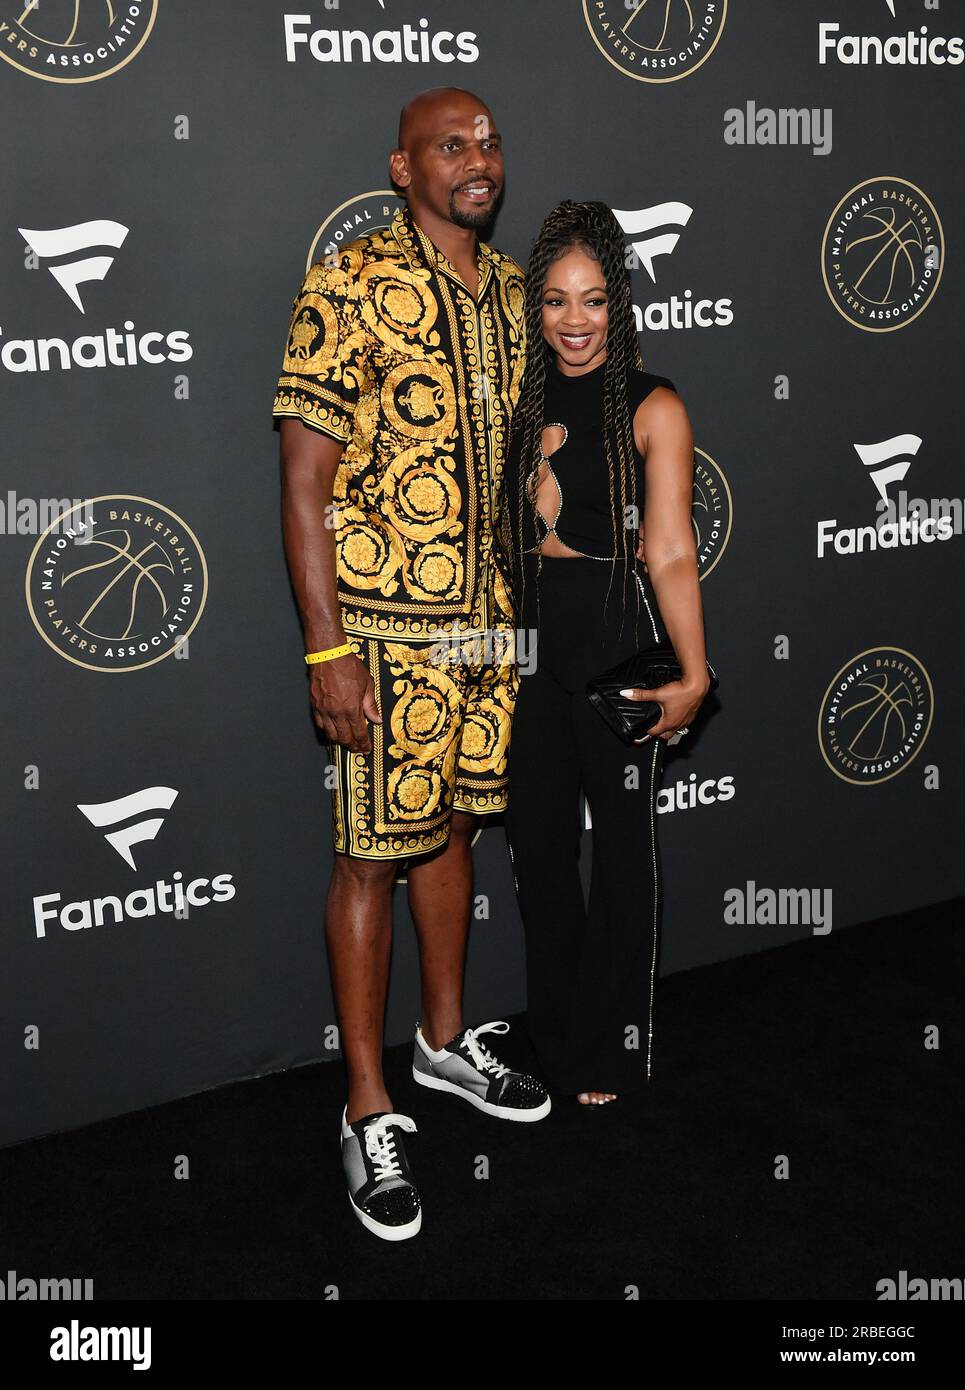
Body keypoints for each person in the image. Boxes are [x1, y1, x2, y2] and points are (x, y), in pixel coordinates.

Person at [272, 88, 549, 1243]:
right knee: (367, 861)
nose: (476, 161)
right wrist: (329, 647)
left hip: (487, 628)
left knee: (451, 831)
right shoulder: (348, 282)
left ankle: (441, 1046)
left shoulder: (514, 293)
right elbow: (301, 484)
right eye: (451, 146)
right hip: (383, 636)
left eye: (487, 142)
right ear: (402, 166)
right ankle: (366, 1106)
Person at [499, 201, 712, 1109]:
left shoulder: (654, 403)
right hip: (526, 640)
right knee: (540, 855)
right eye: (553, 301)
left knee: (623, 854)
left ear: (617, 304)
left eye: (590, 301)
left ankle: (615, 1046)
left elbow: (666, 548)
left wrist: (694, 673)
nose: (572, 322)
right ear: (534, 308)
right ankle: (558, 1033)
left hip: (615, 635)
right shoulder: (516, 397)